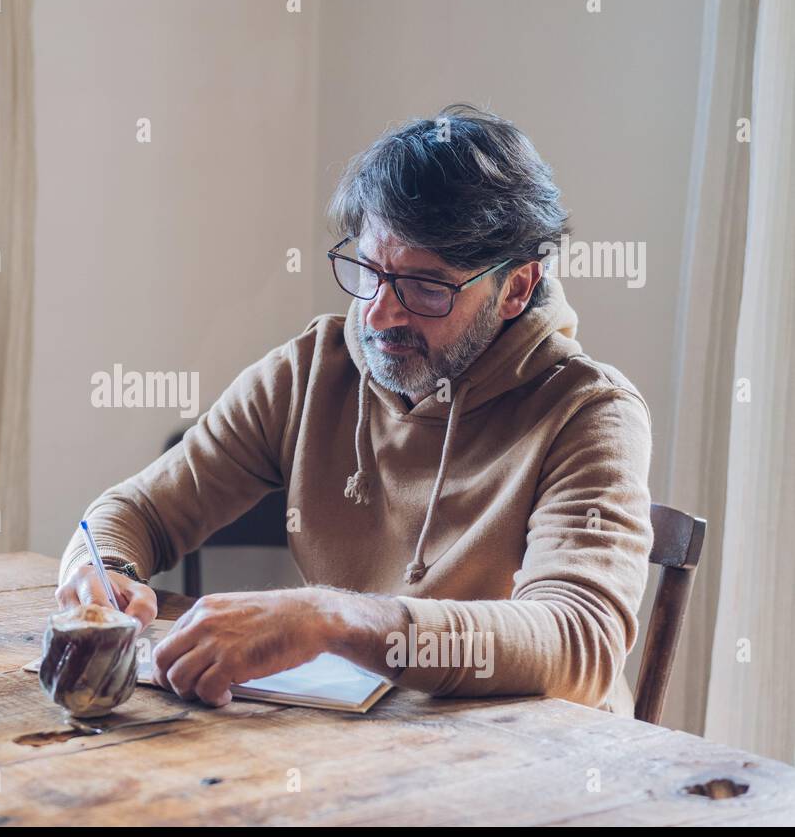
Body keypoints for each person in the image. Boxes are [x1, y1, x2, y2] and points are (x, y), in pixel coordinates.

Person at [56, 105, 653, 716]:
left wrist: (332, 617)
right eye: (368, 270)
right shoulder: (313, 371)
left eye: (427, 287)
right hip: (361, 742)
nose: (377, 313)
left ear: (517, 287)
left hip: (536, 769)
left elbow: (579, 642)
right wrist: (106, 572)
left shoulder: (589, 412)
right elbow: (135, 510)